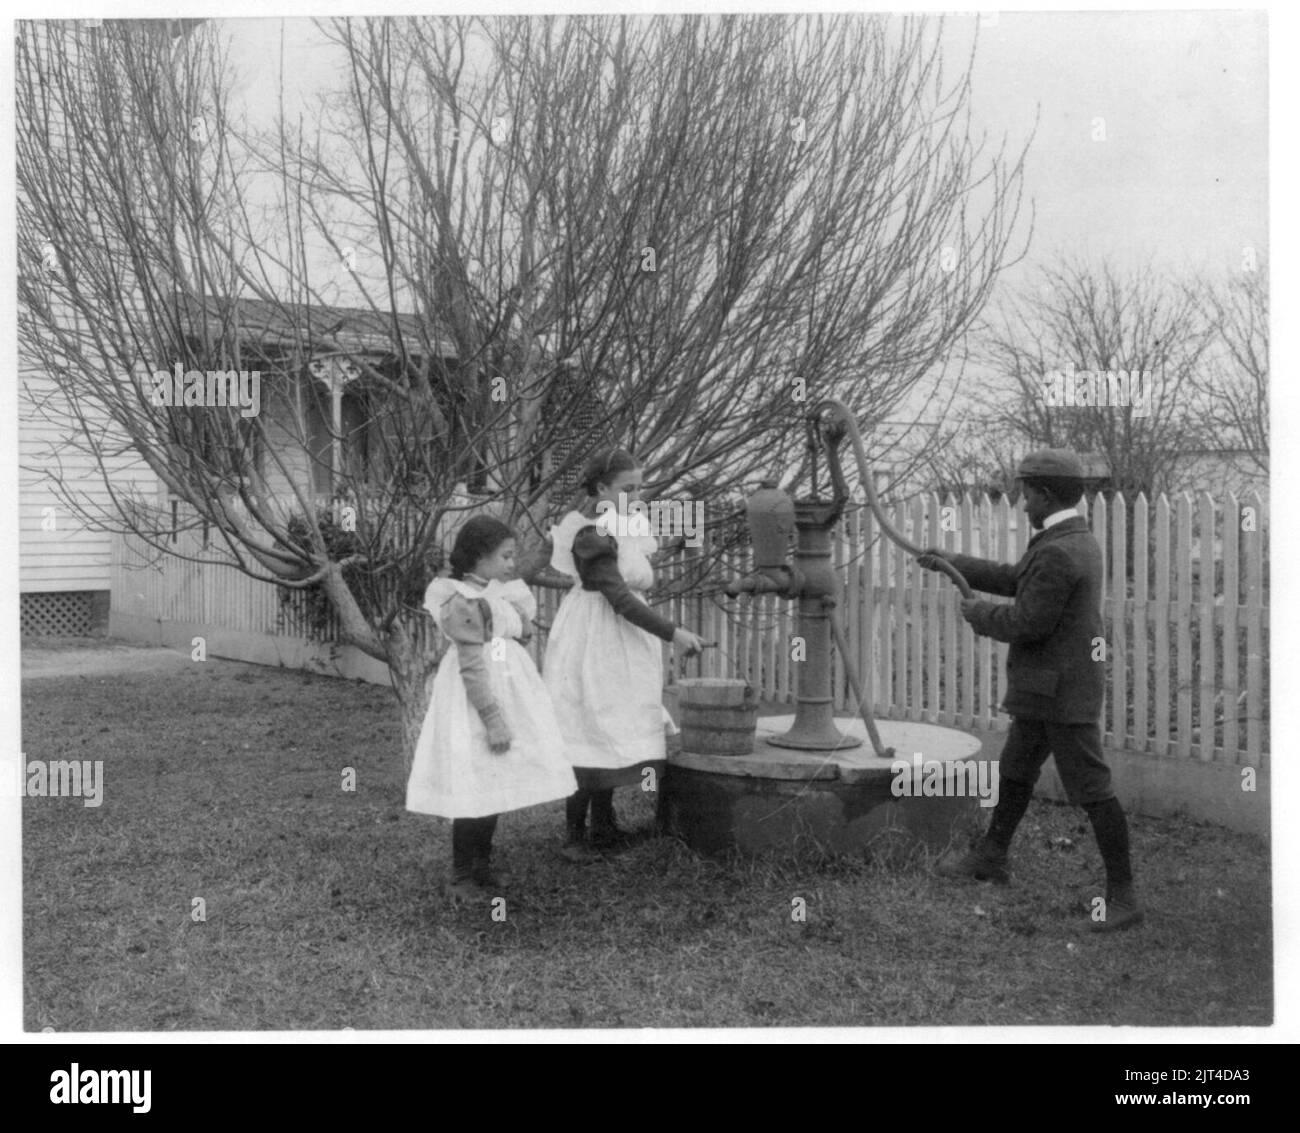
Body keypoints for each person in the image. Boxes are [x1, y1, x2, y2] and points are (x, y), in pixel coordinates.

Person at [919, 449, 1143, 933]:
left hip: (1062, 694)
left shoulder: (1061, 550)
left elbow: (1029, 620)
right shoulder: (1067, 538)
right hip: (1046, 687)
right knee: (1016, 770)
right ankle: (991, 857)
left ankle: (1123, 896)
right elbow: (1015, 579)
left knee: (1092, 789)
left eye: (1025, 493)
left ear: (1043, 493)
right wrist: (951, 562)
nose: (1021, 502)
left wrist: (979, 616)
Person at [406, 516, 578, 902]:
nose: (511, 564)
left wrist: (516, 629)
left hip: (508, 689)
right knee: (476, 781)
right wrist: (493, 718)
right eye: (504, 556)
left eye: (512, 555)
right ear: (478, 558)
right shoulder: (459, 599)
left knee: (494, 781)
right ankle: (462, 873)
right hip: (478, 699)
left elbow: (518, 625)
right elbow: (471, 664)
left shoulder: (496, 590)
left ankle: (482, 864)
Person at [544, 447, 704, 862]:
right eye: (627, 489)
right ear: (601, 488)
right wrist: (674, 633)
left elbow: (633, 586)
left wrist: (690, 530)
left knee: (613, 723)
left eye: (639, 488)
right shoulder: (589, 533)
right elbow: (618, 598)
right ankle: (574, 836)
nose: (636, 496)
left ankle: (604, 824)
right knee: (588, 722)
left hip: (625, 638)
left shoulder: (626, 526)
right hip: (595, 635)